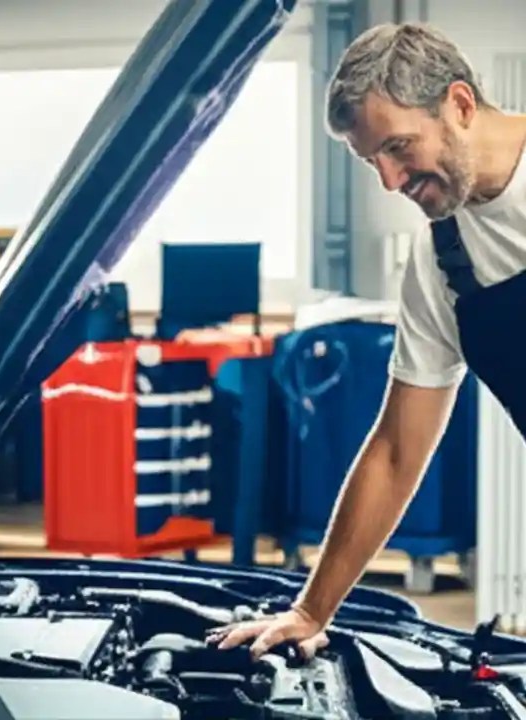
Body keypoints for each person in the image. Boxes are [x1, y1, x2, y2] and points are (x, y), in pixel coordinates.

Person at [209, 22, 526, 660]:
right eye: (371, 159)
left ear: (460, 106)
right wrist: (309, 608)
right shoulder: (445, 259)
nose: (389, 180)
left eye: (399, 147)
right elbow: (394, 451)